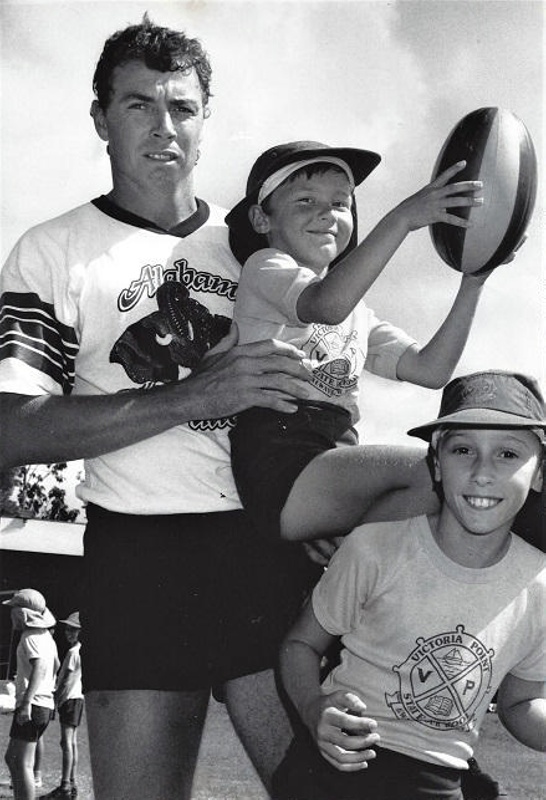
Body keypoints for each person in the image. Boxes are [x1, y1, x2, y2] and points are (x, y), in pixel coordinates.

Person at [0, 17, 323, 800]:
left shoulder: (257, 241)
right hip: (138, 557)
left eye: (181, 106)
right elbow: (12, 429)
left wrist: (326, 501)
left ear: (207, 119)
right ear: (100, 117)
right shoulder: (52, 250)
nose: (163, 127)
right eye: (138, 104)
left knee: (329, 789)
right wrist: (194, 395)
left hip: (262, 541)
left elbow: (331, 376)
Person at [273, 370, 546, 800]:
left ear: (540, 474)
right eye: (462, 450)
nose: (481, 472)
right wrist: (312, 707)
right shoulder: (374, 548)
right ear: (436, 463)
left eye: (508, 454)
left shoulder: (539, 586)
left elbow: (518, 704)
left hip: (438, 782)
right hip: (334, 768)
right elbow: (299, 646)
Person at [225, 140, 506, 544]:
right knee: (441, 475)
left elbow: (431, 369)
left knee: (412, 523)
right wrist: (403, 219)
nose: (327, 213)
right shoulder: (267, 267)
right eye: (306, 200)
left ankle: (345, 558)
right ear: (261, 218)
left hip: (335, 451)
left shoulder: (360, 313)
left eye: (341, 203)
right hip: (280, 447)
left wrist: (473, 281)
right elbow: (328, 304)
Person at [3, 589, 59, 800]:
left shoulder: (30, 637)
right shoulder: (47, 638)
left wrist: (27, 702)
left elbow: (41, 667)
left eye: (14, 610)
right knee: (12, 758)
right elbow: (56, 665)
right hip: (42, 704)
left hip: (33, 704)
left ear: (24, 614)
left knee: (22, 763)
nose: (11, 615)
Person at [41, 612, 84, 800]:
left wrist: (56, 697)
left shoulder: (73, 652)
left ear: (81, 632)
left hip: (70, 699)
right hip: (77, 699)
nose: (68, 632)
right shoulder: (80, 650)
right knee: (71, 742)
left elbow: (65, 678)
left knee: (66, 742)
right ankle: (71, 782)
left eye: (73, 630)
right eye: (67, 629)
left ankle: (65, 786)